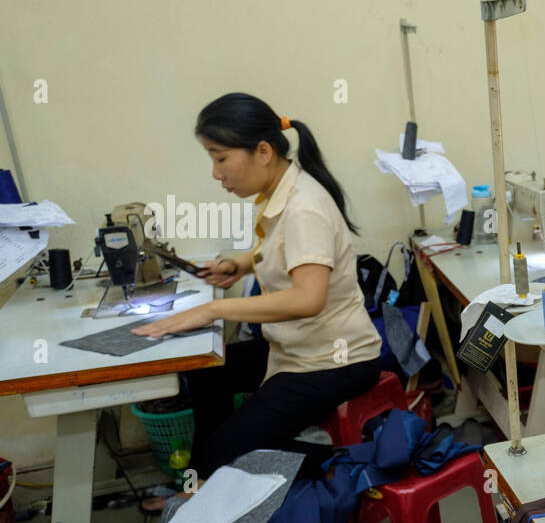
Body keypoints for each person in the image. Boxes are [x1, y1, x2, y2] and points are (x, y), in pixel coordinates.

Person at [133, 93, 382, 480]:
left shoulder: (304, 207)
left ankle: (354, 468)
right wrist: (242, 264)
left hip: (335, 361)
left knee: (227, 450)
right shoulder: (283, 192)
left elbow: (308, 297)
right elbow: (291, 253)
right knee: (206, 372)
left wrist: (213, 309)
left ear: (262, 151)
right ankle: (200, 480)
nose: (217, 173)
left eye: (220, 158)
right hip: (298, 346)